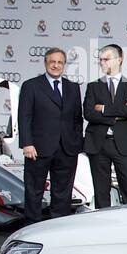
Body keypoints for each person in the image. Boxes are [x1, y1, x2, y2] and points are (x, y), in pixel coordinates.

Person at [18, 47, 82, 222]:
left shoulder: (73, 88)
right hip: (38, 148)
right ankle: (31, 226)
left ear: (64, 65)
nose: (56, 65)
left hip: (67, 148)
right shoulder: (31, 86)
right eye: (52, 61)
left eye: (60, 62)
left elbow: (77, 118)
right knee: (34, 189)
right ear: (45, 62)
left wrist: (76, 142)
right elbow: (24, 116)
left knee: (63, 191)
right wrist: (27, 143)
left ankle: (58, 226)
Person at [82, 43, 127, 207]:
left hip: (123, 144)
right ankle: (103, 227)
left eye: (106, 59)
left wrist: (104, 108)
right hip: (98, 144)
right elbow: (88, 113)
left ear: (119, 60)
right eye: (100, 59)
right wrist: (114, 117)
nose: (102, 63)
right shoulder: (93, 86)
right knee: (100, 190)